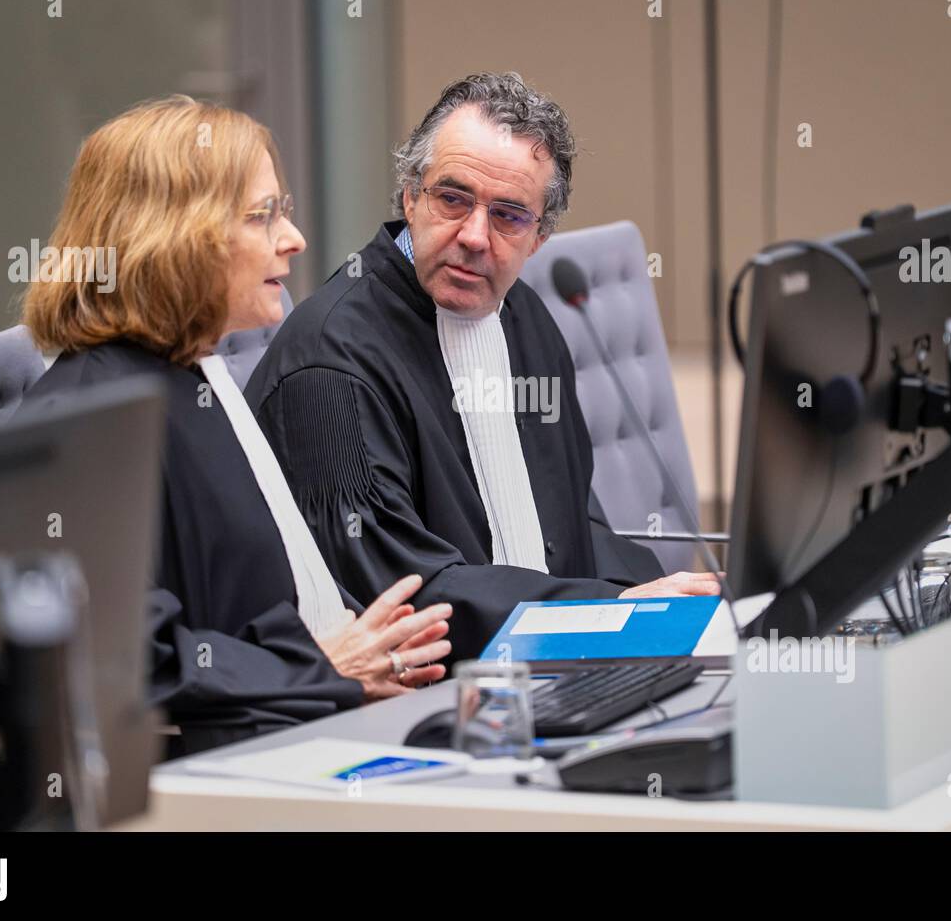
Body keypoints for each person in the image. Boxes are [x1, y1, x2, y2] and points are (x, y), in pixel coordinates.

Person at [19, 96, 451, 756]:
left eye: (284, 210)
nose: (293, 239)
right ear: (169, 236)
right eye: (262, 216)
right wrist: (322, 671)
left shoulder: (195, 370)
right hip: (232, 767)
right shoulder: (84, 421)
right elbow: (126, 658)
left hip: (309, 724)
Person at [246, 73, 719, 661]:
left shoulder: (525, 317)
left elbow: (573, 526)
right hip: (421, 694)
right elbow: (400, 596)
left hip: (551, 662)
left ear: (539, 238)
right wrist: (599, 614)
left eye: (508, 216)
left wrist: (650, 604)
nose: (473, 236)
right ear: (410, 197)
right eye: (452, 199)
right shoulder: (330, 363)